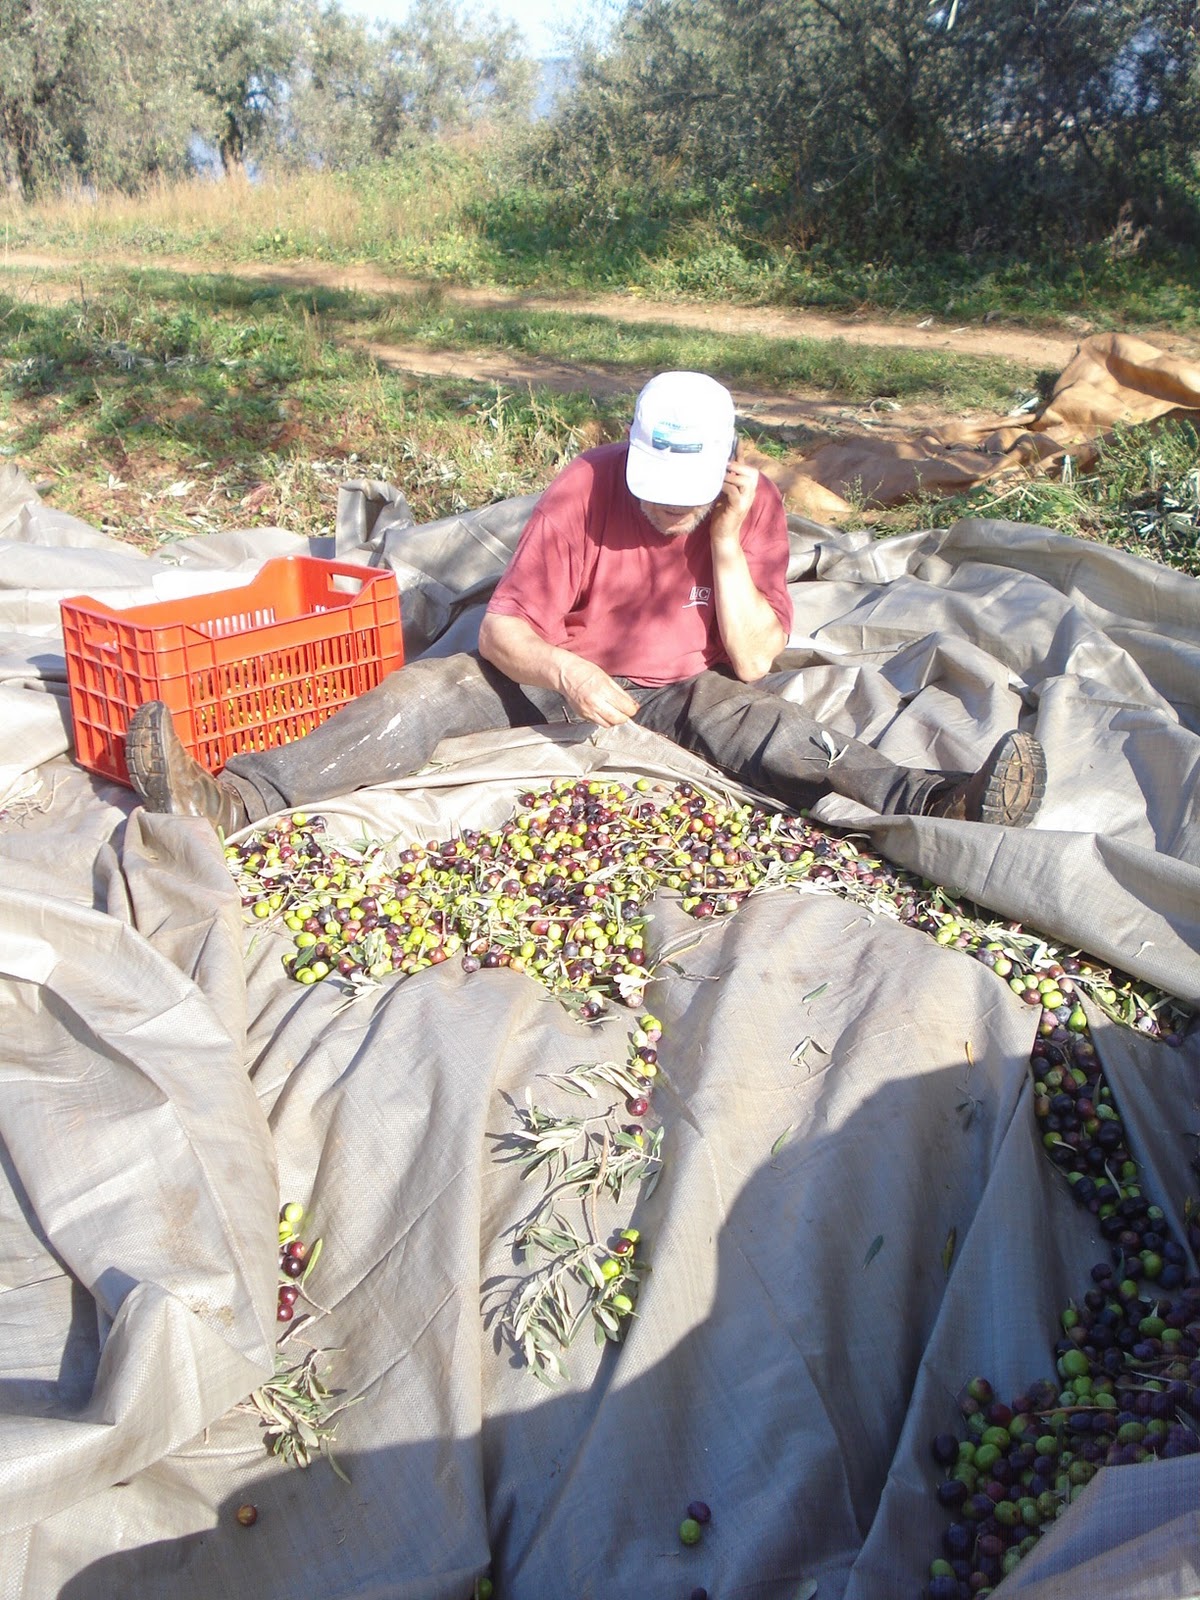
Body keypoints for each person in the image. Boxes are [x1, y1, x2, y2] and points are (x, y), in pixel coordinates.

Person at [124, 371, 1046, 834]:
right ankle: (235, 800)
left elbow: (759, 660)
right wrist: (567, 670)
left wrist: (722, 545)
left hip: (683, 688)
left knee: (784, 734)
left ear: (727, 464)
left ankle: (940, 802)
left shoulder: (749, 507)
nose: (663, 504)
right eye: (653, 483)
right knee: (420, 696)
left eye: (685, 489)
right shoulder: (585, 487)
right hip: (553, 676)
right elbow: (504, 627)